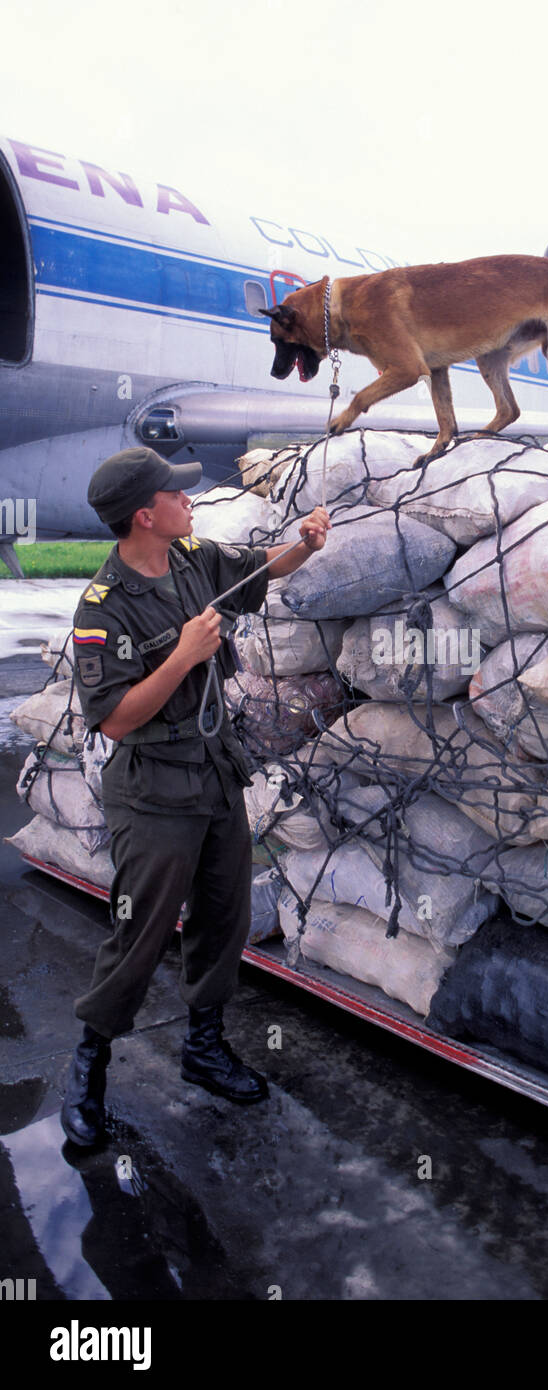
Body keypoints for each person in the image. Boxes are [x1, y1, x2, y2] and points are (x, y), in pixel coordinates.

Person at [61, 446, 330, 1148]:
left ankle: (205, 1050)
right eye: (176, 496)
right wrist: (181, 656)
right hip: (153, 790)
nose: (191, 500)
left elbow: (259, 570)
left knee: (223, 916)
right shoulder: (102, 607)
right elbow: (114, 718)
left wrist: (302, 542)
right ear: (144, 516)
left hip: (214, 774)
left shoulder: (193, 558)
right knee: (141, 934)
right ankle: (86, 1073)